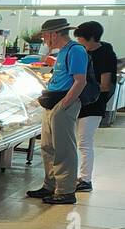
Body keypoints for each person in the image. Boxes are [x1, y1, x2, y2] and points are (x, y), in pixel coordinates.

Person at [27, 17, 91, 206]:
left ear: (54, 34)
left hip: (63, 103)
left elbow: (80, 81)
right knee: (47, 147)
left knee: (64, 148)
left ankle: (65, 191)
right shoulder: (62, 52)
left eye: (45, 36)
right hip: (52, 102)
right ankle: (50, 184)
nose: (44, 40)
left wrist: (64, 105)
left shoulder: (76, 50)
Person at [73, 21, 116, 192]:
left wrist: (81, 85)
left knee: (84, 142)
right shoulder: (86, 51)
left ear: (90, 38)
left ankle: (85, 180)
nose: (79, 42)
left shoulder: (104, 53)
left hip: (94, 104)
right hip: (81, 102)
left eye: (81, 39)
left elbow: (105, 85)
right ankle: (80, 176)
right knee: (80, 142)